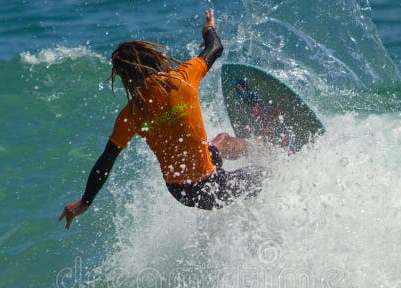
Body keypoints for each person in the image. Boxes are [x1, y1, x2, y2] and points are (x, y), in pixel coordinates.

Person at [59, 9, 263, 229]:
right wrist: (208, 29)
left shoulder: (131, 114)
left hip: (180, 191)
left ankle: (261, 143)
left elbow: (106, 160)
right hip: (208, 187)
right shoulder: (182, 78)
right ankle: (276, 161)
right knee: (264, 174)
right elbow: (216, 47)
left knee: (222, 141)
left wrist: (85, 201)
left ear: (125, 78)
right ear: (152, 58)